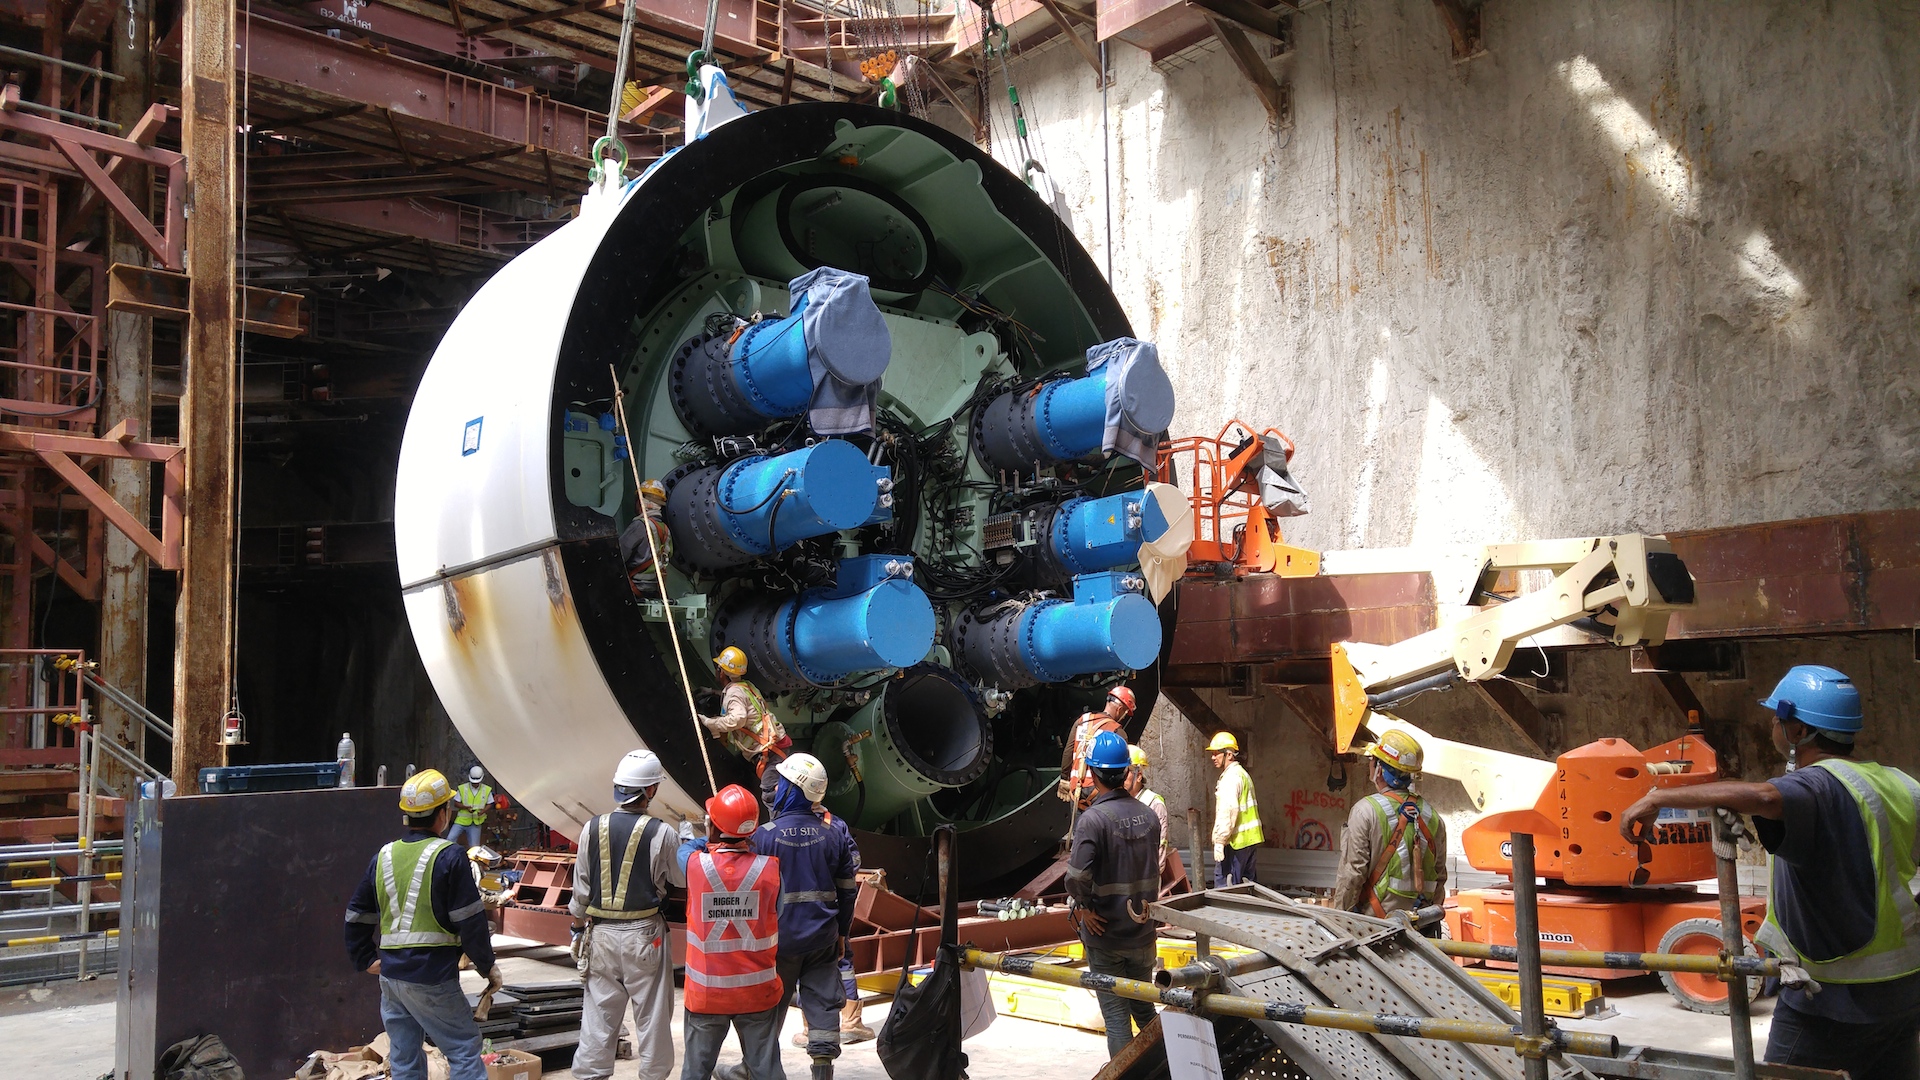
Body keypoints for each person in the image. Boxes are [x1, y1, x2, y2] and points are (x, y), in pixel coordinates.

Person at [1620, 665, 1920, 1079]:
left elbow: (1762, 794)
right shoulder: (1899, 784)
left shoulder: (1816, 786)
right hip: (1904, 990)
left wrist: (1658, 797)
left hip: (1832, 998)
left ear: (1797, 730)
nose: (1774, 729)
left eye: (1776, 722)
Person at [344, 769, 502, 1080]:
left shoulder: (384, 856)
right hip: (431, 976)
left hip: (392, 978)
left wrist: (364, 958)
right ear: (443, 814)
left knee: (405, 1060)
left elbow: (356, 914)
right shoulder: (451, 856)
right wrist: (487, 967)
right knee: (464, 1049)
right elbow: (470, 922)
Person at [733, 753, 858, 1080]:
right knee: (823, 1006)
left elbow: (749, 895)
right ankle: (822, 1071)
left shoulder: (763, 836)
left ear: (790, 788)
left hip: (779, 942)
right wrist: (842, 934)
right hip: (823, 938)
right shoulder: (836, 832)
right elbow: (848, 891)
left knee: (769, 1009)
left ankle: (752, 1069)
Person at [569, 750, 687, 1080]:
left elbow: (580, 892)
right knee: (652, 1019)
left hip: (601, 935)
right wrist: (689, 844)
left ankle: (590, 1075)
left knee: (598, 1018)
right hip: (645, 936)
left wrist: (577, 929)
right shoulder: (662, 832)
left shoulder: (590, 828)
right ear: (650, 790)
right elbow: (682, 879)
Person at [677, 784, 785, 1080]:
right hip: (758, 992)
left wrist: (707, 837)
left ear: (714, 826)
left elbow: (685, 848)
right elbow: (781, 914)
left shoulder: (695, 866)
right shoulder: (770, 870)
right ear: (751, 831)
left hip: (707, 993)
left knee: (696, 1071)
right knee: (767, 1070)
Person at [1064, 730, 1162, 1058]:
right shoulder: (1149, 816)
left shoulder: (1093, 820)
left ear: (1092, 773)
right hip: (1142, 935)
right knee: (1145, 1011)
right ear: (1125, 772)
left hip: (1105, 934)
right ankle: (1162, 1071)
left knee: (1118, 1020)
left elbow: (1076, 877)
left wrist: (1084, 908)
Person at [1329, 731, 1447, 922]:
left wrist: (1341, 919)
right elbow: (1439, 876)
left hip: (1375, 925)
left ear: (1380, 769)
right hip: (1420, 924)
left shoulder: (1365, 811)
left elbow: (1352, 873)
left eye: (1372, 760)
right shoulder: (1433, 816)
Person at [796, 773, 876, 1047]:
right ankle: (851, 1023)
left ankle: (809, 1027)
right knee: (843, 960)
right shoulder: (836, 825)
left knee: (801, 962)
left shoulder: (786, 825)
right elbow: (853, 861)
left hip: (797, 913)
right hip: (832, 907)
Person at [699, 647, 791, 798]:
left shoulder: (734, 693)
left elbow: (738, 719)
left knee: (771, 794)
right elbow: (743, 702)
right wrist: (713, 692)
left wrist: (709, 722)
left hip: (768, 751)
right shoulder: (747, 686)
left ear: (721, 671)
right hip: (775, 745)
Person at [1059, 686, 1137, 809]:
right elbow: (1120, 768)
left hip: (1076, 788)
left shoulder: (1082, 720)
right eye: (1125, 712)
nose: (1124, 716)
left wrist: (1064, 778)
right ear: (1120, 709)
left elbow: (1068, 752)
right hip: (1100, 789)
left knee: (1079, 826)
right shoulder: (1117, 732)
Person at [1208, 732, 1264, 885]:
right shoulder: (1242, 774)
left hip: (1235, 844)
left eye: (1216, 753)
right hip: (1249, 842)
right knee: (1247, 887)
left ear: (1229, 755)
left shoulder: (1231, 778)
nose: (1213, 757)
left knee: (1226, 888)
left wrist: (1220, 841)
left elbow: (1228, 811)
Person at [621, 479, 673, 599]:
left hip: (634, 588)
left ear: (641, 502)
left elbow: (619, 556)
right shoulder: (665, 530)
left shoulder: (639, 526)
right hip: (654, 590)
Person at [1125, 744, 1171, 868]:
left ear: (1138, 775)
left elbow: (1160, 846)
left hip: (1145, 878)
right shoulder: (1117, 802)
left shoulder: (1153, 804)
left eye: (1125, 771)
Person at [447, 766, 492, 850]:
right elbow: (456, 803)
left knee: (474, 847)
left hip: (476, 822)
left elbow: (490, 803)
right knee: (450, 839)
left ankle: (472, 862)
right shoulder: (462, 788)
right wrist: (465, 807)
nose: (475, 783)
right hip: (461, 821)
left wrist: (483, 811)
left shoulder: (486, 789)